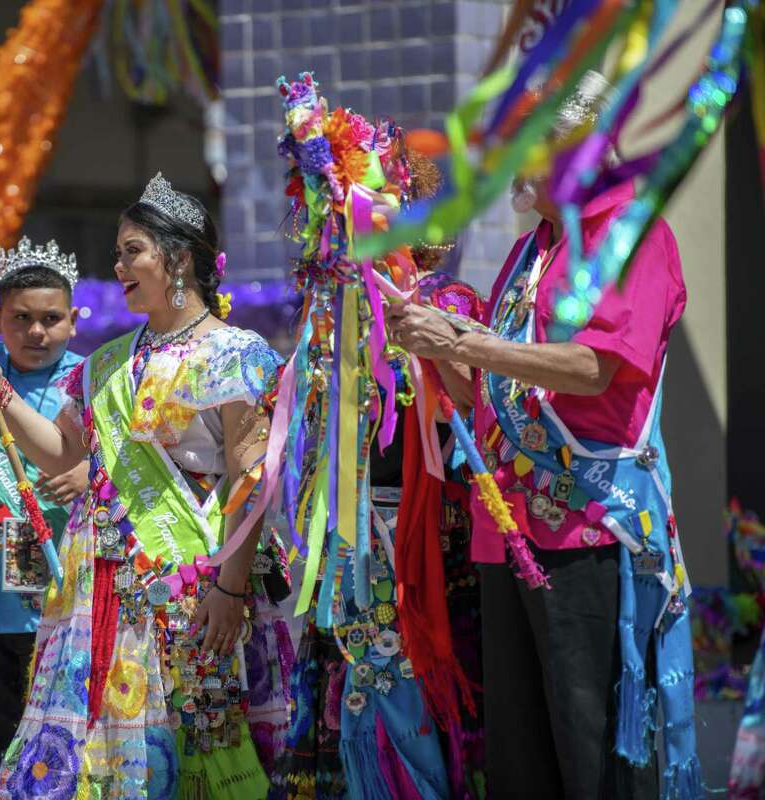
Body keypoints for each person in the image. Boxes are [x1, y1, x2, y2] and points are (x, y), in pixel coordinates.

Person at [386, 72, 699, 798]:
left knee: (591, 750)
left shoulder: (631, 230)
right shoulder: (535, 251)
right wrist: (424, 335)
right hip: (510, 532)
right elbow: (488, 396)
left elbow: (595, 368)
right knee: (523, 760)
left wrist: (467, 345)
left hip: (588, 532)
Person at [0, 173, 294, 798]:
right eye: (118, 251)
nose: (117, 264)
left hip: (191, 588)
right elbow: (62, 450)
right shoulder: (108, 361)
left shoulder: (236, 354)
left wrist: (228, 588)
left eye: (131, 250)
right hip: (98, 591)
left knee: (189, 744)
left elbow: (250, 481)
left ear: (176, 258)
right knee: (91, 748)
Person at [270, 118, 486, 800]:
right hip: (347, 548)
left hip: (419, 548)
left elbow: (471, 414)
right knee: (358, 688)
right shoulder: (329, 323)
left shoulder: (445, 307)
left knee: (411, 693)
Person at [0, 237, 88, 789]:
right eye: (22, 318)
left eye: (51, 318)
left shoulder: (96, 379)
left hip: (66, 606)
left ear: (74, 320)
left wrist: (92, 475)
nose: (37, 332)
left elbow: (139, 471)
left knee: (65, 764)